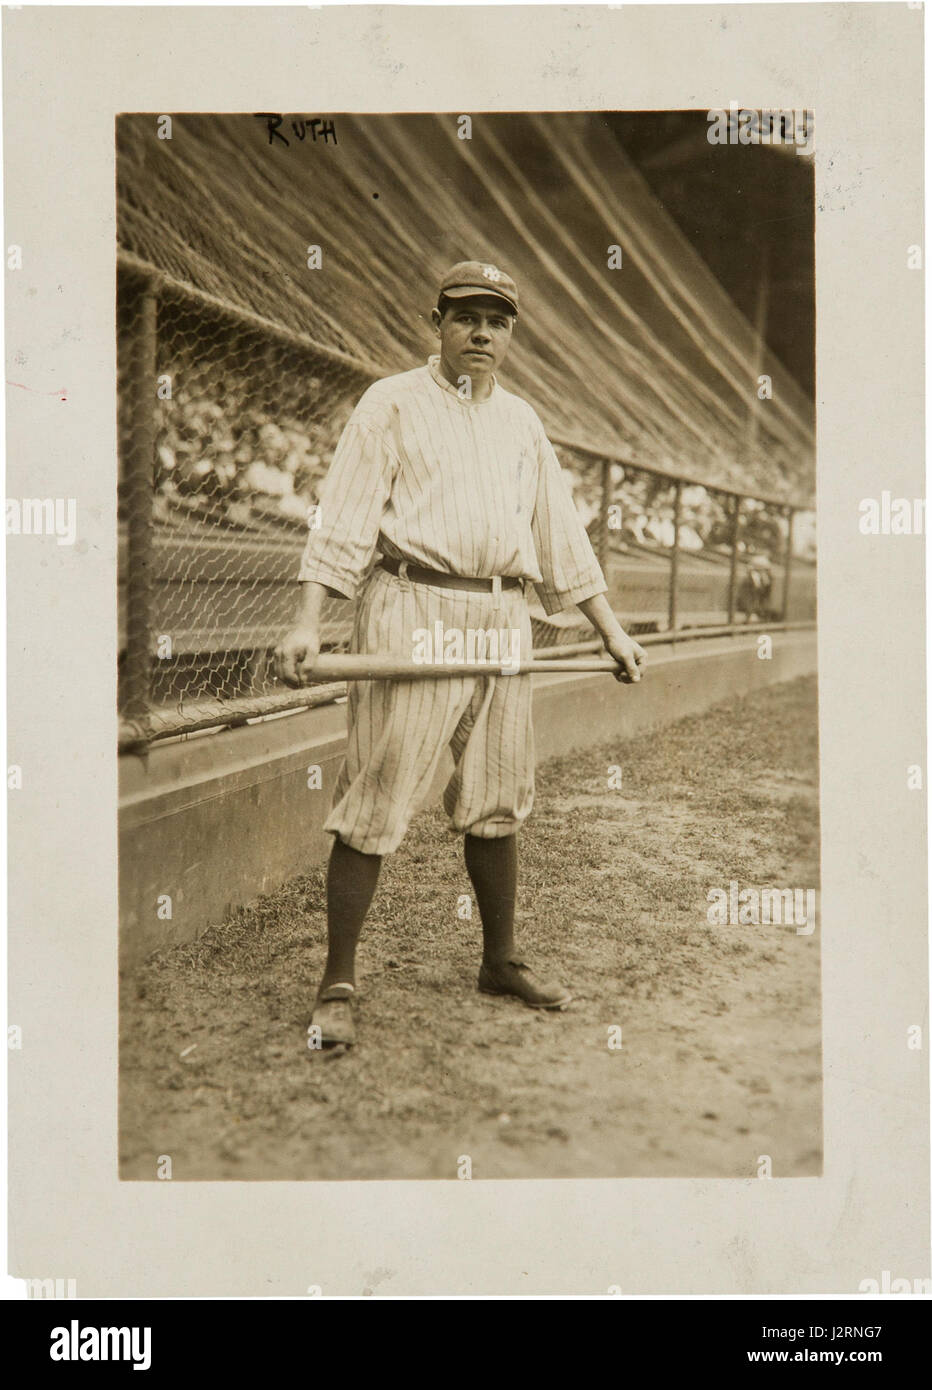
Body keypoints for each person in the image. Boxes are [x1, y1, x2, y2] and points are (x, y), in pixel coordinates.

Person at [275, 261, 647, 1048]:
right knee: (377, 794)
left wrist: (609, 629)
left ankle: (500, 958)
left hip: (502, 612)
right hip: (413, 602)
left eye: (498, 320)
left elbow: (559, 533)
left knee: (499, 792)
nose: (482, 332)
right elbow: (341, 516)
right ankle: (338, 980)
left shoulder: (522, 421)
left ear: (510, 334)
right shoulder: (392, 402)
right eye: (466, 316)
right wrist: (308, 621)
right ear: (436, 321)